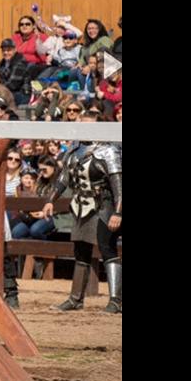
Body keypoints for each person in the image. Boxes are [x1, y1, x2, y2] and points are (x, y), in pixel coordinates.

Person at [43, 125, 122, 314]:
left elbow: (118, 185)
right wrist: (50, 201)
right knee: (81, 251)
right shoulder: (74, 151)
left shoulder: (108, 151)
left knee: (107, 248)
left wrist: (118, 213)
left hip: (104, 206)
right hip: (81, 205)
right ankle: (75, 298)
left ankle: (116, 301)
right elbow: (63, 179)